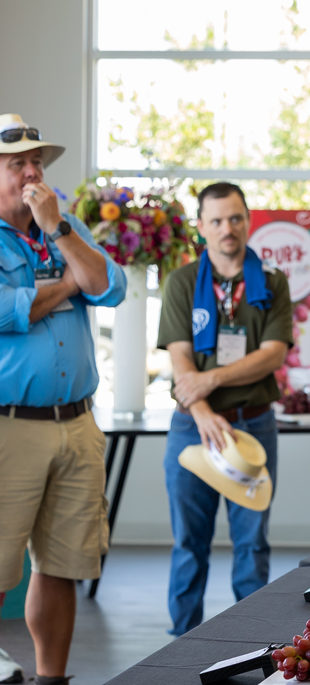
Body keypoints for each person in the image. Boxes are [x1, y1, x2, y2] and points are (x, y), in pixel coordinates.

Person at [0, 114, 127, 684]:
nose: (32, 174)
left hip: (77, 424)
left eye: (37, 163)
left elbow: (110, 286)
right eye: (16, 165)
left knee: (63, 564)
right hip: (10, 427)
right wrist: (71, 282)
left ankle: (53, 679)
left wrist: (62, 237)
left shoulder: (64, 226)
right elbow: (11, 311)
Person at [157, 182, 292, 635]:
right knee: (188, 544)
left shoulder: (272, 282)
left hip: (252, 426)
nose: (226, 229)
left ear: (248, 220)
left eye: (234, 218)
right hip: (192, 427)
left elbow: (273, 353)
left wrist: (211, 379)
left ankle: (252, 640)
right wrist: (202, 412)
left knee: (252, 543)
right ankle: (180, 644)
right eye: (215, 220)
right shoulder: (180, 282)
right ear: (201, 227)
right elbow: (180, 359)